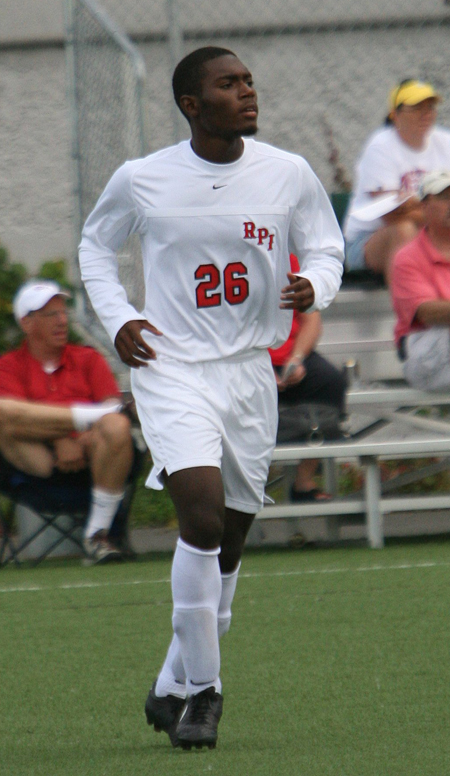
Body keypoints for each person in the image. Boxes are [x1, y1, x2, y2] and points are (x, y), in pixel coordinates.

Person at [78, 46, 344, 750]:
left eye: (249, 80)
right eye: (228, 84)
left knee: (227, 545)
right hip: (172, 366)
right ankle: (205, 692)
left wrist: (315, 285)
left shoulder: (288, 173)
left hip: (249, 372)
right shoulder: (143, 178)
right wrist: (120, 317)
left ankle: (171, 684)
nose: (247, 92)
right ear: (192, 105)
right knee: (197, 515)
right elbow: (95, 248)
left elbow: (326, 248)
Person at [0, 279, 134, 563]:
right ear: (27, 323)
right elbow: (13, 420)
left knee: (116, 425)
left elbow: (114, 413)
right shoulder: (8, 366)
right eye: (51, 315)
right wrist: (62, 438)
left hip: (93, 457)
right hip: (34, 462)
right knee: (2, 412)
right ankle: (88, 417)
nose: (62, 321)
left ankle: (97, 535)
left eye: (64, 313)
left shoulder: (88, 358)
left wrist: (82, 437)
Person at [344, 79, 450, 284]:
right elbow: (391, 216)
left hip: (430, 230)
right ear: (396, 115)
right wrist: (437, 211)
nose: (426, 113)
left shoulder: (445, 142)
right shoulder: (381, 146)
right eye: (417, 107)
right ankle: (409, 309)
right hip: (367, 239)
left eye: (430, 107)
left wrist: (415, 204)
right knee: (404, 229)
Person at [269, 255, 346, 501]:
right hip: (249, 358)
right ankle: (248, 483)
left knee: (330, 380)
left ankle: (304, 479)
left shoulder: (292, 263)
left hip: (290, 354)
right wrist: (261, 369)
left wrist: (296, 359)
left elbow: (312, 322)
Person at [391, 170, 450, 390]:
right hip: (426, 350)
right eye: (445, 197)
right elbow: (427, 312)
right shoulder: (407, 257)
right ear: (424, 206)